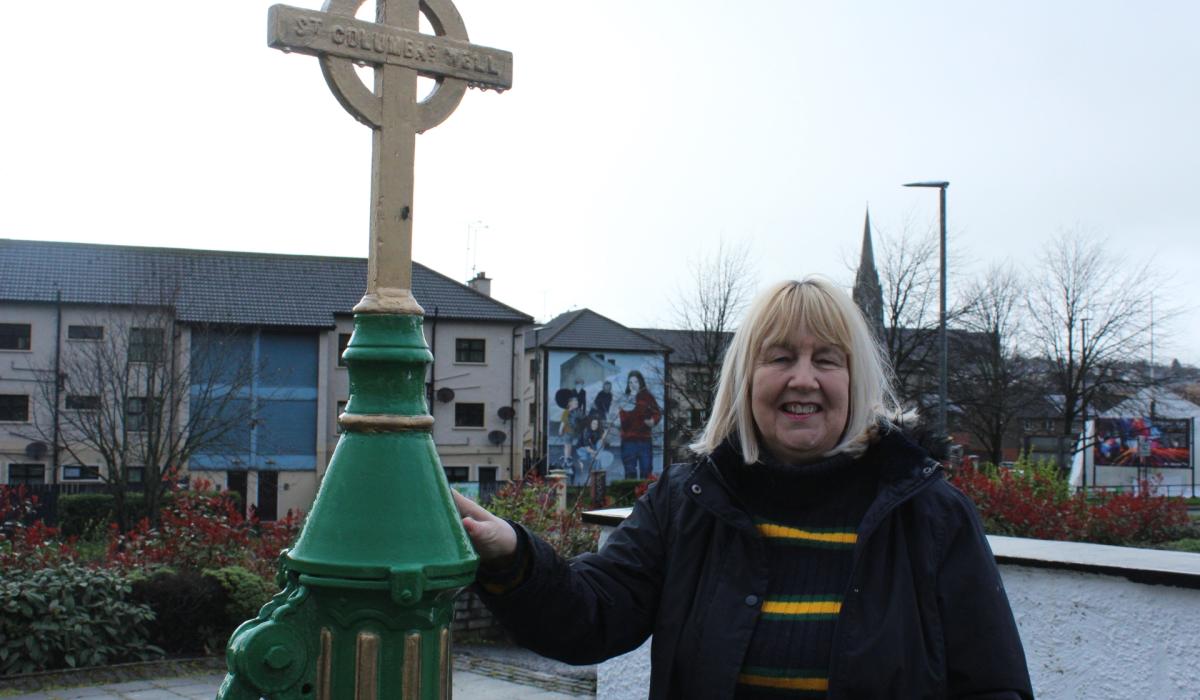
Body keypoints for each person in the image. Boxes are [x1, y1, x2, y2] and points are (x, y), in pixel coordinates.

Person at [453, 277, 1033, 699]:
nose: (803, 378)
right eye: (780, 357)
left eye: (827, 360)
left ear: (856, 381)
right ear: (745, 380)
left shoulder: (929, 513)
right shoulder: (689, 501)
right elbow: (591, 617)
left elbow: (992, 685)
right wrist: (512, 553)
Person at [617, 370, 662, 479]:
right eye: (630, 382)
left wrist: (653, 421)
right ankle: (630, 496)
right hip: (628, 441)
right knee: (630, 471)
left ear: (641, 382)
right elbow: (621, 420)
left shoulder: (647, 397)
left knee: (646, 471)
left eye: (635, 382)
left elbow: (657, 412)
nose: (633, 385)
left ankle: (645, 495)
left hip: (644, 440)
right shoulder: (625, 399)